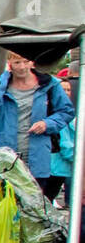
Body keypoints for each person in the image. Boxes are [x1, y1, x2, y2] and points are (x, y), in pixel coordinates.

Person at [0, 51, 73, 195]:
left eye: (26, 62)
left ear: (33, 62)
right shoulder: (0, 83)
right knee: (3, 203)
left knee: (35, 204)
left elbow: (67, 112)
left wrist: (47, 123)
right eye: (17, 63)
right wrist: (3, 79)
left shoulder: (49, 84)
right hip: (4, 154)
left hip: (36, 156)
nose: (22, 67)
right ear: (9, 65)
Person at [45, 69, 76, 204]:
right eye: (63, 89)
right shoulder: (58, 114)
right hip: (55, 166)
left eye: (68, 90)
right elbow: (65, 144)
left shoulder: (67, 112)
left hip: (60, 167)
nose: (66, 92)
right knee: (46, 199)